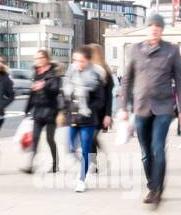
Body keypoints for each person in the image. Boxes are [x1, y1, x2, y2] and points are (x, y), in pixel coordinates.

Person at [119, 13, 181, 207]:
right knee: (145, 153)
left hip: (163, 108)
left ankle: (157, 189)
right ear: (147, 28)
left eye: (158, 28)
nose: (154, 30)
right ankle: (152, 185)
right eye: (151, 27)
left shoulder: (171, 51)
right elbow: (126, 80)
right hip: (141, 108)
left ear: (162, 30)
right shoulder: (135, 50)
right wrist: (123, 107)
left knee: (158, 149)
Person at [64, 47, 107, 193]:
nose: (78, 63)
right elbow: (64, 97)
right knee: (70, 148)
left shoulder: (95, 77)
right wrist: (65, 110)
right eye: (75, 60)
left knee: (86, 151)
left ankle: (81, 180)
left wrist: (88, 108)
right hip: (73, 118)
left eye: (81, 61)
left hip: (88, 119)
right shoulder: (70, 75)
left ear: (88, 60)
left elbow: (101, 100)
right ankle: (86, 166)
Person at [21, 48, 61, 175]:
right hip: (38, 111)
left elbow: (55, 91)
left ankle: (55, 165)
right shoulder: (36, 73)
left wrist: (44, 86)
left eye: (39, 58)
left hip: (51, 111)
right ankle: (31, 166)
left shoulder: (54, 73)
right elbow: (32, 94)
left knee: (50, 139)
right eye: (35, 58)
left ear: (46, 59)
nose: (36, 61)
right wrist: (27, 110)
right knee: (35, 139)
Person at [86, 43, 114, 175]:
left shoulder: (106, 73)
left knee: (91, 138)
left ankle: (95, 162)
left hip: (101, 113)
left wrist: (108, 115)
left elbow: (109, 97)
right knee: (89, 138)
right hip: (89, 111)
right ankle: (95, 163)